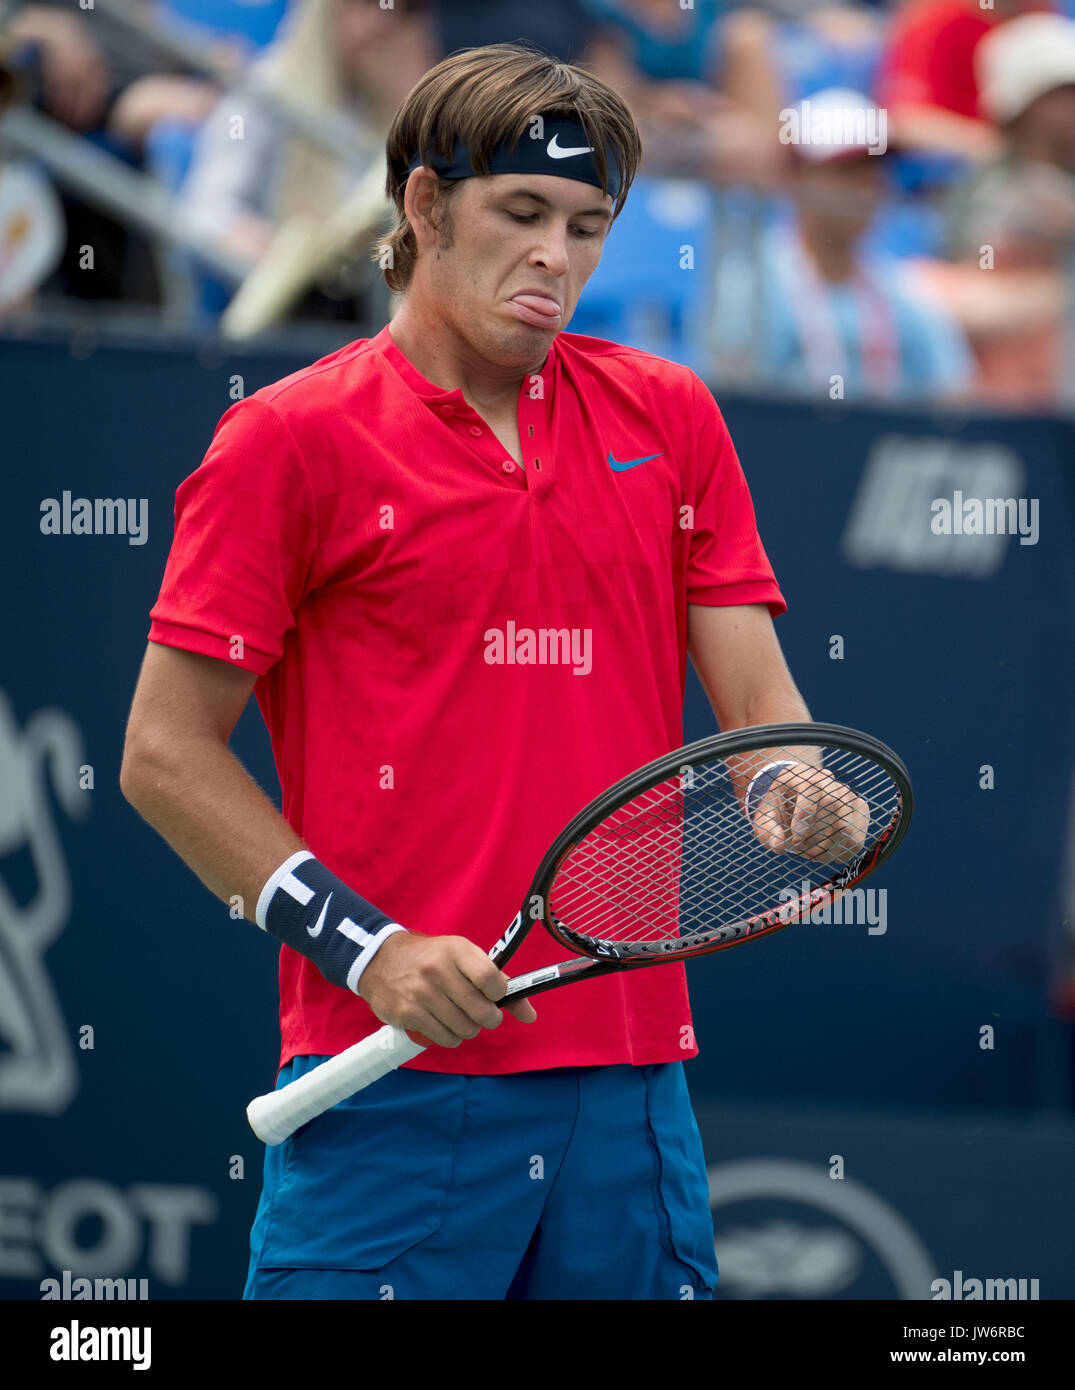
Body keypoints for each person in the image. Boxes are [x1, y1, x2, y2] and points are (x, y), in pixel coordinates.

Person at [121, 41, 839, 1301]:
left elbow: (760, 711)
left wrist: (791, 782)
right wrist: (369, 947)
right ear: (422, 206)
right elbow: (164, 756)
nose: (555, 256)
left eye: (586, 225)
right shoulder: (286, 440)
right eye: (520, 212)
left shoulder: (671, 416)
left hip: (629, 1093)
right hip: (391, 1073)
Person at [712, 87, 973, 400]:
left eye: (875, 171)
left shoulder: (905, 293)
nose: (867, 188)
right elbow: (735, 406)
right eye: (847, 172)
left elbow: (954, 402)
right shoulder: (749, 285)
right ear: (796, 179)